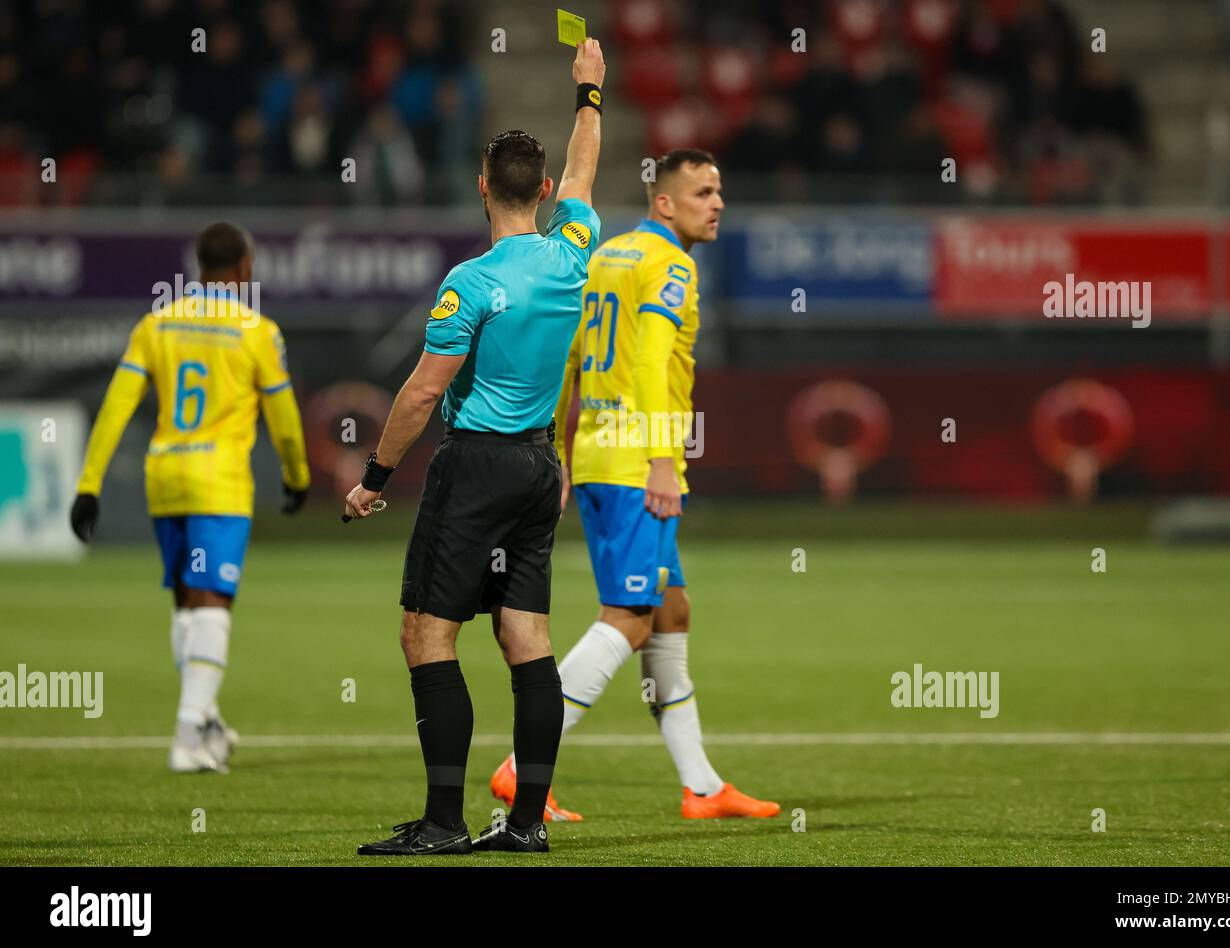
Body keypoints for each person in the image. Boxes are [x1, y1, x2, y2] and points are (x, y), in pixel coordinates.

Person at [347, 38, 605, 856]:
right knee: (526, 637)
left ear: (483, 187)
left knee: (426, 634)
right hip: (540, 464)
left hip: (480, 463)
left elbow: (422, 391)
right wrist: (589, 92)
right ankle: (526, 823)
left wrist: (375, 477)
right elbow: (589, 173)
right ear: (551, 194)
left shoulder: (474, 282)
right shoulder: (572, 253)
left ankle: (444, 823)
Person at [489, 149, 780, 821]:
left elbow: (569, 352)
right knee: (628, 616)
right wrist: (658, 461)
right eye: (703, 191)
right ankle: (517, 764)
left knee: (669, 613)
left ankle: (702, 787)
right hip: (635, 465)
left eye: (719, 190)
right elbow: (649, 358)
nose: (718, 203)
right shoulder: (671, 264)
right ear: (664, 203)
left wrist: (559, 449)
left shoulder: (605, 257)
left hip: (597, 453)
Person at [70, 222, 310, 773]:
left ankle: (204, 723)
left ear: (199, 266)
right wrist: (297, 475)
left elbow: (116, 405)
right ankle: (185, 737)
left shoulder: (157, 324)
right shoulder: (257, 331)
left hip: (164, 475)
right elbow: (286, 419)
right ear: (245, 268)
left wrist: (89, 483)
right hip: (218, 481)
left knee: (185, 603)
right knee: (212, 603)